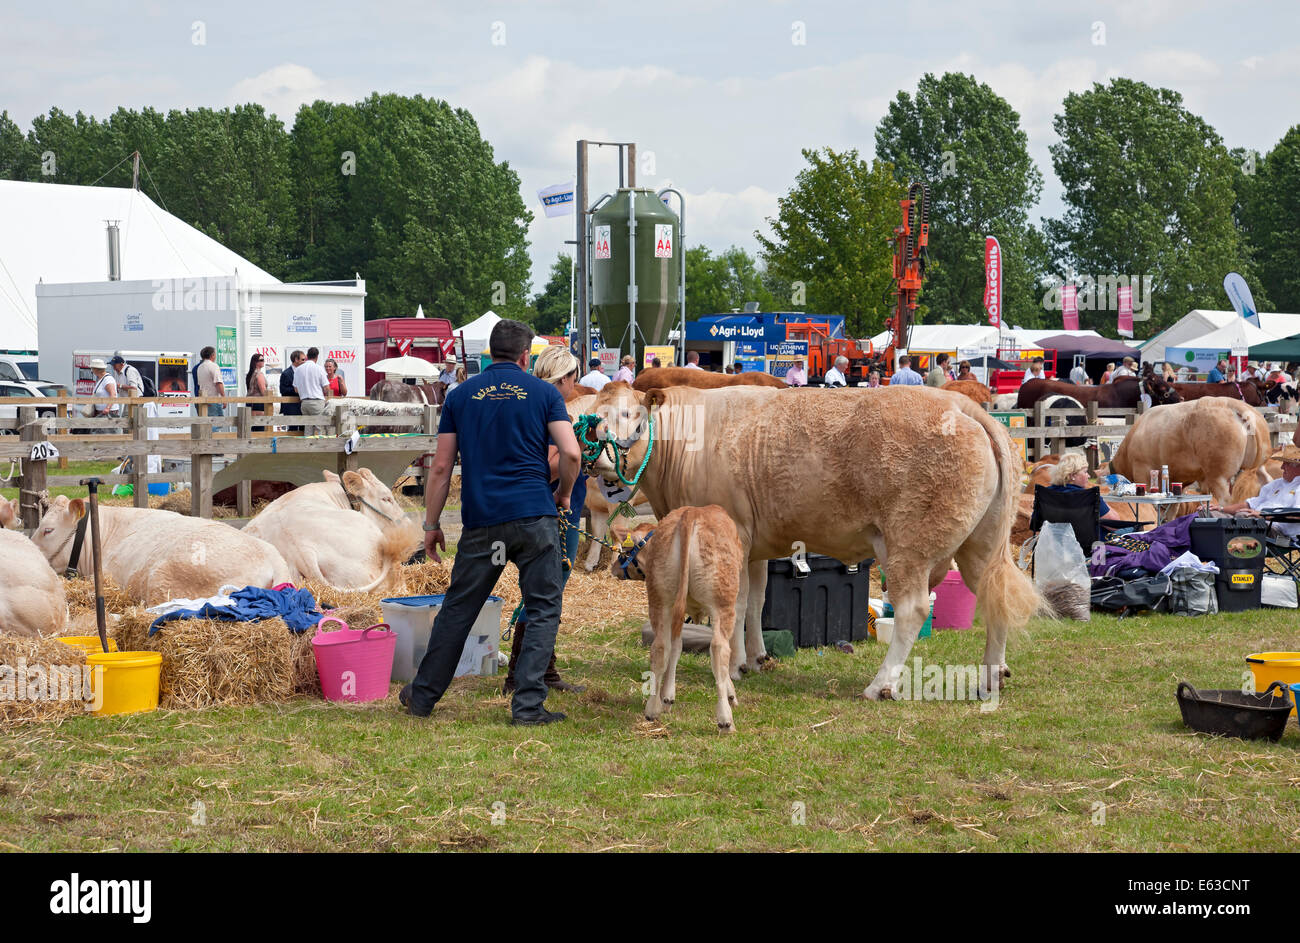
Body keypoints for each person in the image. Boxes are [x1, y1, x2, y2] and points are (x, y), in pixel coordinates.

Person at [405, 318, 580, 726]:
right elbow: (570, 454)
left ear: (490, 353)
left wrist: (431, 525)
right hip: (534, 517)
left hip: (483, 522)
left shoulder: (460, 395)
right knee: (542, 607)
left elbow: (441, 466)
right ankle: (528, 706)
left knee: (459, 609)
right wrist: (565, 494)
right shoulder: (543, 394)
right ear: (525, 356)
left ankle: (422, 697)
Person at [502, 344, 588, 696]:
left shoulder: (524, 406)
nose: (575, 385)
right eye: (573, 378)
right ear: (564, 378)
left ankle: (535, 668)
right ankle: (527, 673)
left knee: (541, 590)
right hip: (556, 511)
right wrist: (578, 449)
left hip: (528, 509)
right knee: (547, 592)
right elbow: (552, 465)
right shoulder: (555, 412)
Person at [1212, 444, 1300, 540]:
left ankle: (1228, 547)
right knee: (1208, 515)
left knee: (1243, 518)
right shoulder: (1277, 484)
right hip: (1254, 522)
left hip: (1277, 532)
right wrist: (1221, 509)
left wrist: (1263, 515)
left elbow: (1297, 515)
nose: (1282, 467)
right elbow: (1250, 504)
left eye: (1286, 463)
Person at [1048, 452, 1125, 523]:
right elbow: (1115, 524)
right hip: (1094, 537)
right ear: (1072, 476)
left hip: (1056, 537)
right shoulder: (1089, 496)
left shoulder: (1047, 493)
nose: (1089, 476)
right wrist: (1100, 499)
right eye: (1085, 472)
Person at [293, 346, 330, 416]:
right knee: (319, 425)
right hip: (317, 401)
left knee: (308, 426)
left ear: (307, 356)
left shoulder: (297, 369)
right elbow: (326, 388)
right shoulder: (319, 368)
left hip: (304, 402)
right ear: (317, 357)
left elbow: (296, 390)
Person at [86, 359, 120, 426]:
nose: (92, 371)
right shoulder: (101, 379)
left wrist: (107, 408)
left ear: (96, 369)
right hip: (101, 412)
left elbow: (113, 394)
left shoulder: (107, 379)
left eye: (92, 369)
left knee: (107, 432)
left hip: (108, 412)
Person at [195, 345, 226, 418]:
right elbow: (218, 383)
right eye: (215, 354)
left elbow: (199, 384)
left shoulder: (200, 367)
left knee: (206, 423)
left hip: (203, 399)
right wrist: (224, 398)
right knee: (216, 423)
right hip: (213, 399)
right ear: (212, 355)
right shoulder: (214, 366)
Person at [280, 350, 304, 421]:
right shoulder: (286, 373)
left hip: (302, 405)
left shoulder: (304, 372)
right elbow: (283, 390)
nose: (304, 361)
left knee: (303, 429)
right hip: (291, 406)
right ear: (296, 360)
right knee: (292, 429)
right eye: (302, 359)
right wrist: (297, 390)